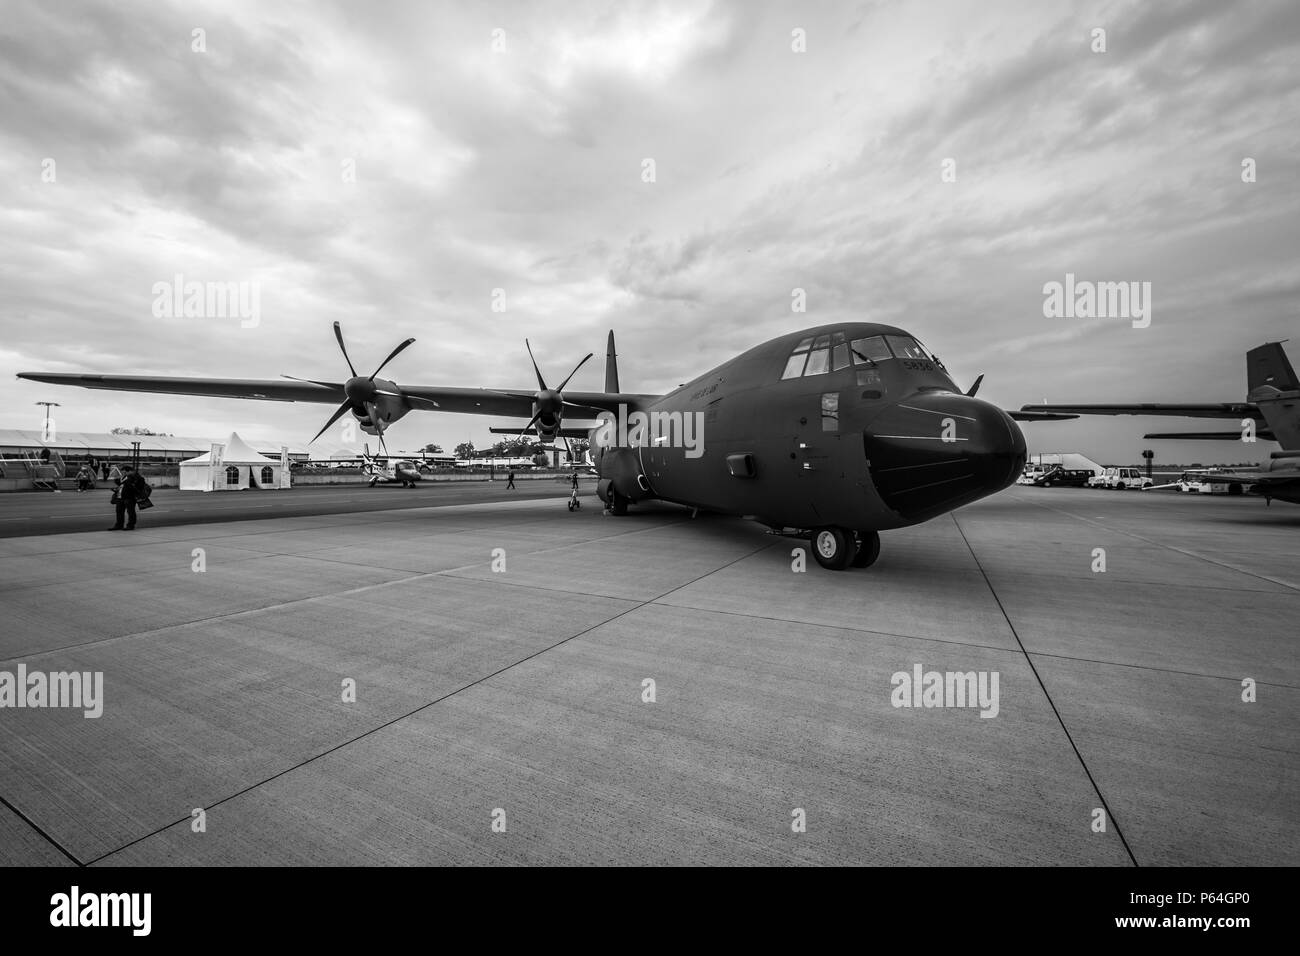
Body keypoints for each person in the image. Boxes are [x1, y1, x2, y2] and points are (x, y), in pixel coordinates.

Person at [109, 464, 148, 531]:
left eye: (124, 472)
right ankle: (119, 525)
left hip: (130, 497)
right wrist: (117, 487)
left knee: (130, 512)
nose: (123, 473)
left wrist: (129, 483)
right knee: (119, 511)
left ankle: (130, 525)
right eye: (122, 472)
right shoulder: (124, 477)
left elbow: (138, 488)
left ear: (130, 471)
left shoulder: (138, 478)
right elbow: (121, 485)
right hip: (120, 497)